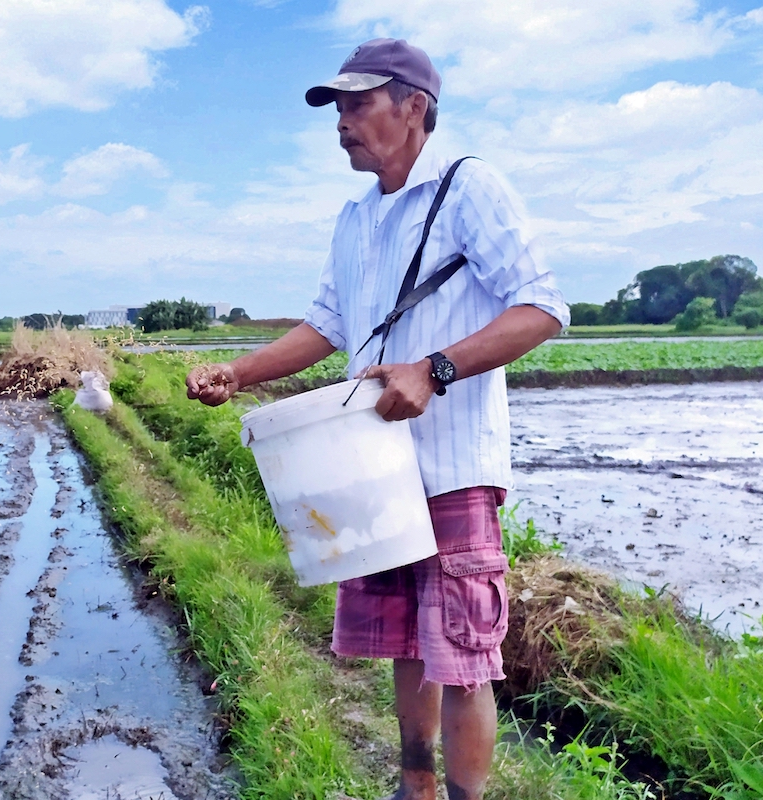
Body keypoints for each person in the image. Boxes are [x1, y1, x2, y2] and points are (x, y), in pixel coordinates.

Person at [185, 39, 569, 800]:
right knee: (407, 646)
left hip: (451, 468)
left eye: (357, 105)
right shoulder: (355, 218)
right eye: (336, 109)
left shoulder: (468, 188)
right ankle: (414, 787)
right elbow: (326, 325)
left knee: (460, 655)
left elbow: (544, 308)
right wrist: (238, 372)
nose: (341, 123)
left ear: (413, 107)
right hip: (371, 466)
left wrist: (435, 370)